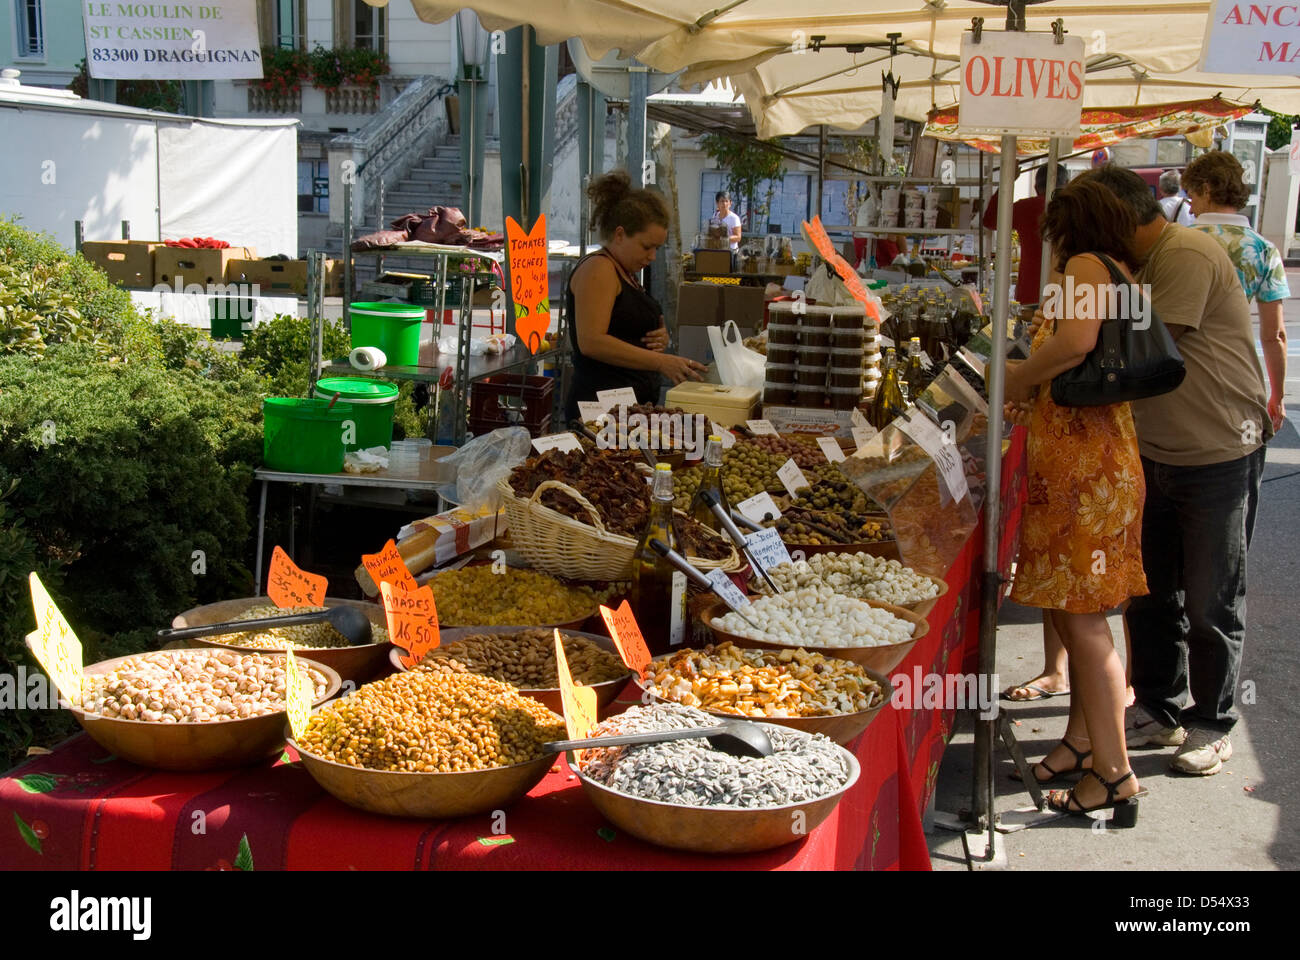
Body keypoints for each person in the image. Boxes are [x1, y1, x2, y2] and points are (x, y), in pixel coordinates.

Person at [1087, 163, 1272, 777]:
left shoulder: (1186, 253)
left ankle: (1211, 721)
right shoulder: (1148, 262)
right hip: (1156, 450)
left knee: (1212, 595)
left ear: (1114, 221)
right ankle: (1158, 706)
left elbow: (1142, 346)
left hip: (1217, 450)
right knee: (1151, 590)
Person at [1001, 177, 1149, 820]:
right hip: (1089, 461)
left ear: (1076, 223)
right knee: (1074, 611)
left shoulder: (1089, 265)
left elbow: (1075, 344)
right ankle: (1081, 743)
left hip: (1084, 470)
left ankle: (1115, 775)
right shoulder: (1117, 269)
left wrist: (1013, 377)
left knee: (1086, 622)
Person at [565, 170, 705, 421]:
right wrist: (660, 361)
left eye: (657, 248)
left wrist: (657, 337)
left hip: (628, 408)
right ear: (620, 234)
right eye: (646, 246)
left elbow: (624, 328)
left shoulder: (625, 272)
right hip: (598, 409)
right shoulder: (599, 269)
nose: (652, 256)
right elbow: (591, 341)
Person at [1182, 151, 1288, 433]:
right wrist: (1277, 395)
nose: (1190, 209)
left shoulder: (1177, 242)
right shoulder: (1264, 249)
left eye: (1191, 197)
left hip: (1184, 374)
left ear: (1206, 189)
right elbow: (1274, 334)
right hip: (1237, 371)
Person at [981, 163, 1068, 307]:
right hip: (1067, 291)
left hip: (1030, 291)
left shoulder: (1025, 208)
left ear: (1035, 188)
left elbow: (990, 220)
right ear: (1067, 185)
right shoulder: (1076, 210)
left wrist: (1007, 180)